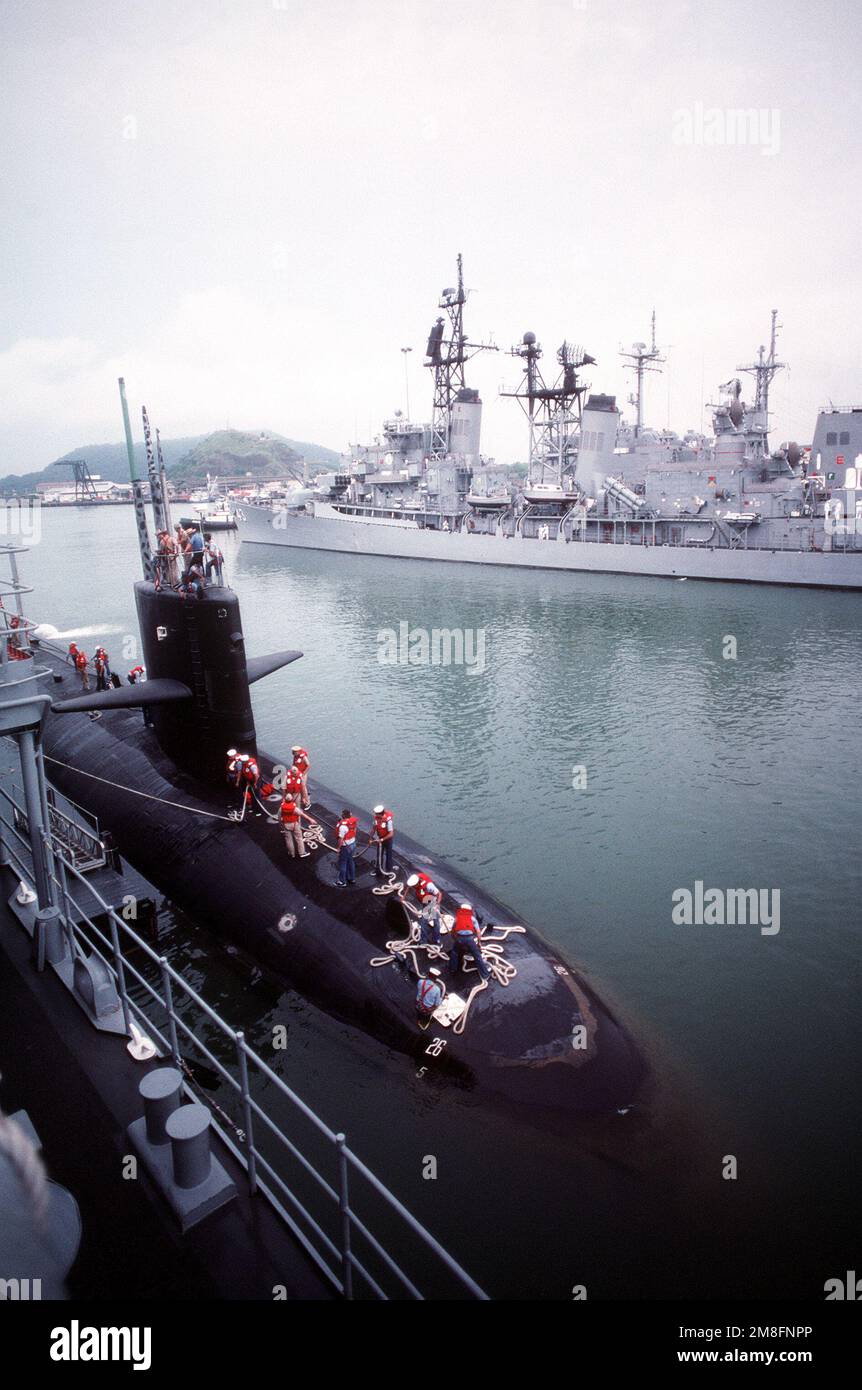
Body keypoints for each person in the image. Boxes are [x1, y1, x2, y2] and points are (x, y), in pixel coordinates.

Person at [449, 903, 491, 981]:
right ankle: (485, 975)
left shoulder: (457, 918)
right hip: (470, 939)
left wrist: (455, 939)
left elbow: (453, 931)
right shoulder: (473, 919)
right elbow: (478, 932)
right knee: (477, 956)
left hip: (459, 938)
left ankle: (452, 969)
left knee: (454, 952)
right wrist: (479, 943)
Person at [405, 871, 443, 946]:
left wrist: (436, 905)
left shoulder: (428, 885)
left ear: (418, 883)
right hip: (425, 901)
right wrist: (404, 896)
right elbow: (409, 886)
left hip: (431, 903)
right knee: (426, 922)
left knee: (427, 922)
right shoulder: (416, 878)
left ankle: (433, 940)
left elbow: (439, 894)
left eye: (414, 886)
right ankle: (427, 940)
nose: (413, 887)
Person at [279, 793, 311, 859]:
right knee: (299, 838)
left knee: (288, 839)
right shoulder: (294, 808)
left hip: (286, 825)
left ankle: (291, 853)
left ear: (285, 799)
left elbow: (279, 817)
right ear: (291, 800)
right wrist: (310, 819)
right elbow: (301, 814)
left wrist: (281, 825)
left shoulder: (281, 807)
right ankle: (302, 853)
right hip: (294, 824)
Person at [334, 808, 358, 887]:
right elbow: (354, 830)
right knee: (351, 861)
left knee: (343, 863)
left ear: (343, 815)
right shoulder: (353, 822)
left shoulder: (342, 827)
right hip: (353, 844)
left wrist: (338, 848)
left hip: (345, 847)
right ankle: (352, 878)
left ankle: (342, 881)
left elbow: (341, 839)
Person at [369, 804, 394, 877]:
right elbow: (373, 829)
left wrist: (382, 839)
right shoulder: (376, 819)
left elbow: (391, 833)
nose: (375, 815)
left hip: (387, 839)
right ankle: (378, 870)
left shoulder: (388, 820)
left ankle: (389, 871)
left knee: (389, 855)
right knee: (379, 855)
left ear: (380, 814)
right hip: (380, 838)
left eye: (376, 814)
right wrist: (370, 838)